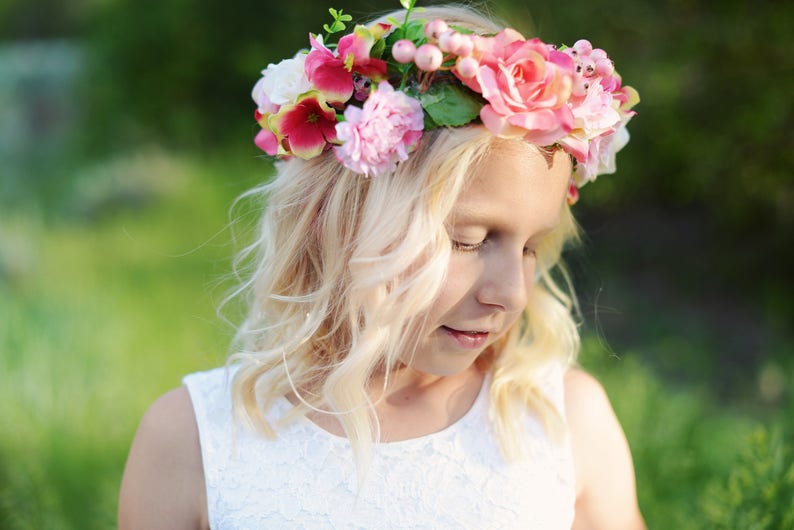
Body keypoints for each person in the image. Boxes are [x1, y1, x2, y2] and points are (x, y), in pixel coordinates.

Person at [119, 2, 645, 528]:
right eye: (467, 241)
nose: (512, 293)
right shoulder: (193, 439)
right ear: (340, 224)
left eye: (530, 248)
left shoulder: (563, 424)